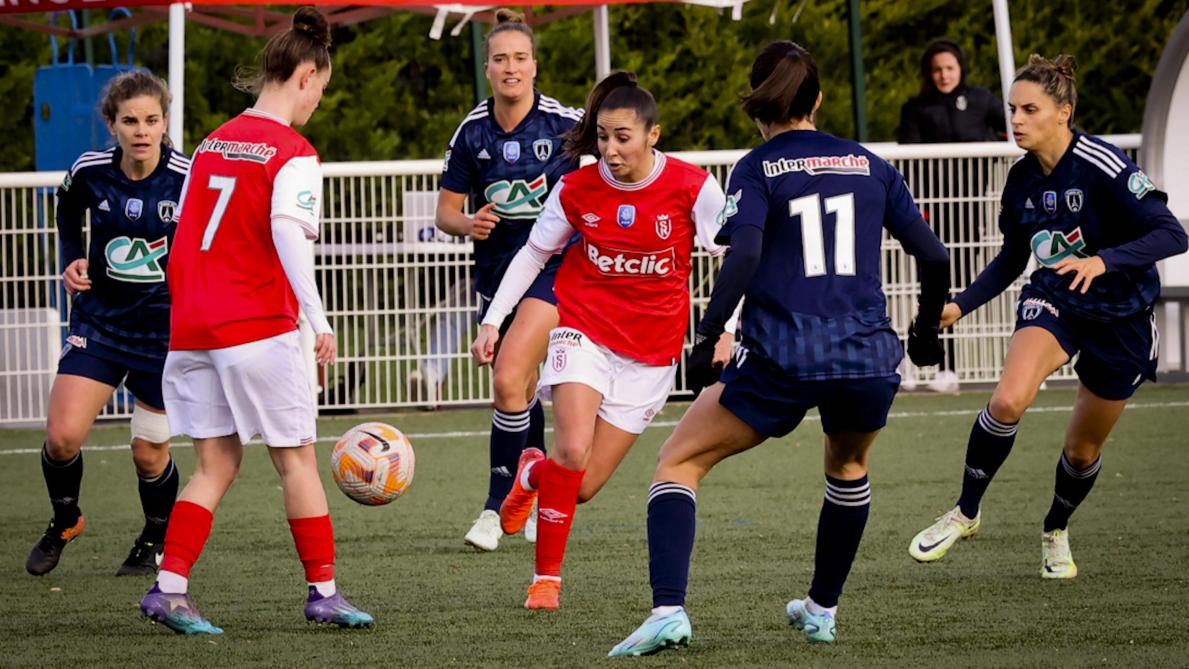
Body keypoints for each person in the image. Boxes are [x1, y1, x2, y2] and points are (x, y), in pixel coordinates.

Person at [609, 41, 951, 654]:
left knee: (679, 462)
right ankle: (821, 611)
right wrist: (925, 331)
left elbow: (743, 253)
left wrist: (708, 335)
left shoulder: (758, 167)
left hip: (783, 356)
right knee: (847, 468)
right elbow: (933, 254)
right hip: (866, 357)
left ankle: (668, 610)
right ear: (817, 100)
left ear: (758, 105)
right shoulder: (872, 165)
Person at [138, 7, 374, 634]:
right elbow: (288, 232)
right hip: (256, 326)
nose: (317, 103)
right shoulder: (293, 151)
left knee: (214, 465)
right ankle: (323, 591)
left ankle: (169, 588)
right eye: (320, 90)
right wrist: (318, 319)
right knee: (296, 460)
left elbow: (183, 233)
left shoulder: (213, 141)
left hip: (191, 328)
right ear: (305, 74)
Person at [907, 54, 1187, 578]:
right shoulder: (1020, 182)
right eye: (1012, 108)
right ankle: (966, 511)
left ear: (1064, 112)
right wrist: (959, 305)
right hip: (1056, 299)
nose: (1016, 119)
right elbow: (1014, 257)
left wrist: (1103, 261)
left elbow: (1173, 234)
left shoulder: (1104, 166)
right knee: (1008, 398)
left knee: (1082, 452)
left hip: (1122, 317)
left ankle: (1056, 528)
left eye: (1030, 109)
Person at [469, 71, 737, 611]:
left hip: (651, 354)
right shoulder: (576, 188)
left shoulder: (693, 186)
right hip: (583, 332)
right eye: (603, 137)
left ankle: (531, 472)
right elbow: (533, 255)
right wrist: (494, 319)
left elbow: (736, 257)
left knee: (581, 484)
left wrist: (728, 328)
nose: (610, 150)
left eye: (623, 137)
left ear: (652, 135)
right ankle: (547, 580)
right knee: (570, 447)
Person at [27, 70, 187, 578]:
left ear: (165, 122)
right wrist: (72, 257)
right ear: (111, 124)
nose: (142, 131)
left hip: (163, 335)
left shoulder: (188, 177)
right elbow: (67, 210)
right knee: (62, 438)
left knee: (147, 455)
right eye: (130, 120)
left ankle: (156, 536)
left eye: (152, 120)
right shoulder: (90, 169)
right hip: (99, 324)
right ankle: (66, 519)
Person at [435, 8, 583, 552]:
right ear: (488, 67)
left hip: (555, 271)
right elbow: (445, 213)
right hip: (497, 276)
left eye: (520, 58)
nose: (511, 67)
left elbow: (613, 165)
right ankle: (538, 495)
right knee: (518, 389)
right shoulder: (473, 130)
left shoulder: (566, 124)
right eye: (501, 59)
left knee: (506, 379)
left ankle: (495, 511)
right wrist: (467, 223)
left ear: (535, 65)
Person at [899, 38, 1008, 392]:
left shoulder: (981, 100)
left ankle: (949, 368)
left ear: (960, 68)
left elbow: (1012, 128)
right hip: (930, 215)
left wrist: (993, 148)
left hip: (968, 213)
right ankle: (914, 360)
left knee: (956, 293)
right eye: (936, 69)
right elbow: (911, 159)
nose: (943, 75)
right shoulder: (916, 107)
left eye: (949, 68)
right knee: (925, 290)